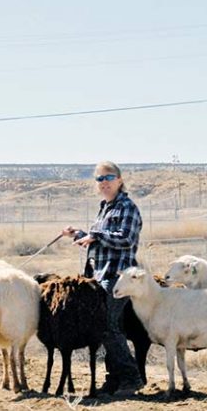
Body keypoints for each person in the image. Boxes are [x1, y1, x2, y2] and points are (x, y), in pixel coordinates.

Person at [60, 161, 144, 396]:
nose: (104, 183)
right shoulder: (105, 207)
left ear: (119, 180)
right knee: (105, 327)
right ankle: (114, 379)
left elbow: (125, 238)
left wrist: (95, 235)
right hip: (101, 275)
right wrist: (78, 234)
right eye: (99, 179)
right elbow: (99, 238)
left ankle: (131, 377)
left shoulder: (127, 206)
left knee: (108, 326)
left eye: (108, 178)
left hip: (119, 277)